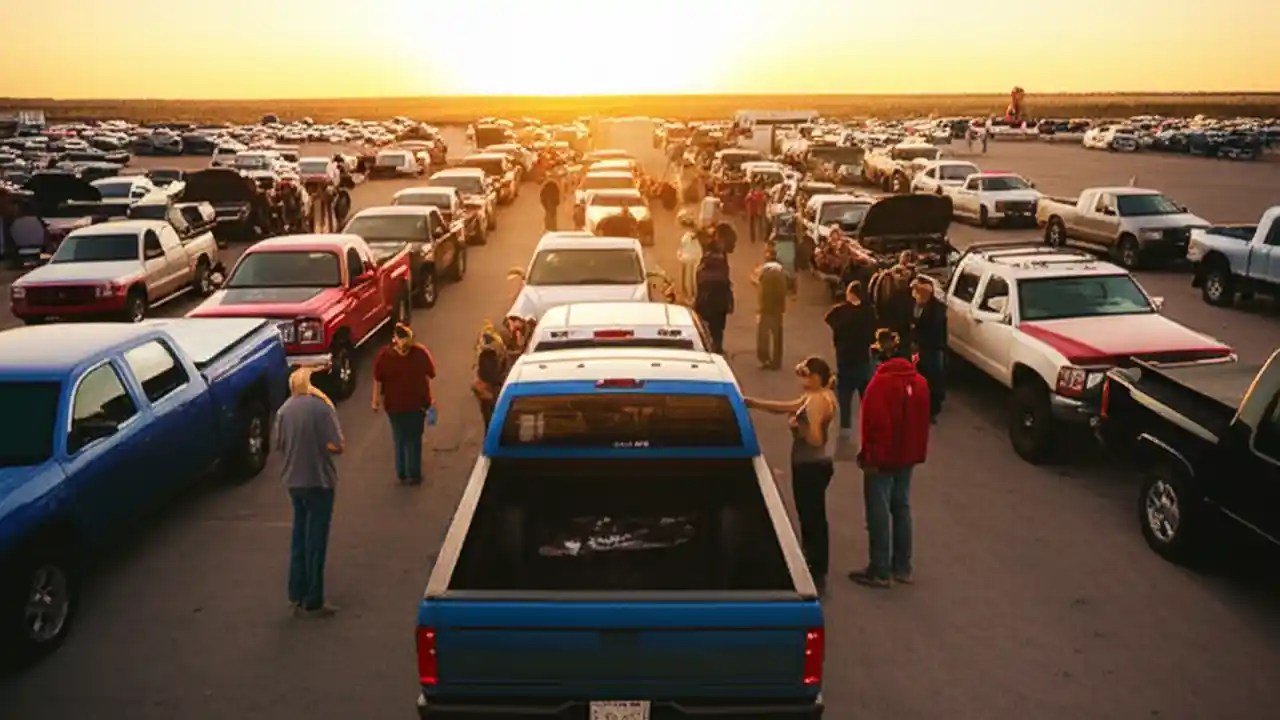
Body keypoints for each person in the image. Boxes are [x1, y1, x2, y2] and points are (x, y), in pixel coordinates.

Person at [744, 357, 837, 587]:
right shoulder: (820, 395)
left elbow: (815, 438)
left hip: (810, 465)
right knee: (815, 515)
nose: (802, 379)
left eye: (806, 375)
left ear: (816, 377)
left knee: (810, 517)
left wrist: (798, 426)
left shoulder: (816, 402)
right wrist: (753, 402)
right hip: (818, 465)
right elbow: (787, 406)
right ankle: (817, 562)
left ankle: (815, 567)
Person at [850, 338, 931, 589]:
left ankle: (880, 569)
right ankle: (902, 566)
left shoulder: (880, 384)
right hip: (908, 456)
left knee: (878, 510)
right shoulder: (920, 383)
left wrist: (870, 457)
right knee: (902, 507)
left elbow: (876, 425)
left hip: (882, 458)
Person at [276, 367, 344, 618]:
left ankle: (296, 593)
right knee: (316, 541)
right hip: (319, 481)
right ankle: (314, 599)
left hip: (294, 482)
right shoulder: (322, 409)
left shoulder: (283, 411)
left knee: (299, 536)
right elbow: (338, 446)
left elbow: (280, 444)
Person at [371, 324, 437, 485]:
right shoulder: (420, 353)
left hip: (397, 406)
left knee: (400, 438)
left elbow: (378, 380)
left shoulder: (384, 356)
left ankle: (402, 473)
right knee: (413, 439)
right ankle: (414, 474)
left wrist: (376, 401)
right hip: (416, 404)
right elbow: (431, 374)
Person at [824, 280, 878, 437]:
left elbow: (828, 318)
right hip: (863, 359)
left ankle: (845, 427)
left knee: (845, 395)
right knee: (866, 395)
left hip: (845, 359)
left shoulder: (840, 312)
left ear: (850, 293)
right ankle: (869, 425)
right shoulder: (869, 312)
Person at [910, 277, 948, 422]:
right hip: (921, 348)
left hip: (931, 348)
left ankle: (931, 410)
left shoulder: (936, 310)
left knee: (932, 380)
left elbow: (934, 330)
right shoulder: (917, 305)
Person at [752, 247, 789, 369]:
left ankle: (765, 359)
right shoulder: (782, 271)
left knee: (763, 334)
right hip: (778, 309)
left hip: (766, 308)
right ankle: (777, 361)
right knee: (777, 335)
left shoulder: (763, 270)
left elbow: (756, 283)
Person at [694, 241, 734, 354]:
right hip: (720, 301)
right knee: (719, 327)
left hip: (706, 301)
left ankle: (707, 347)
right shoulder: (722, 262)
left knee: (706, 326)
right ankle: (718, 347)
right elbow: (726, 282)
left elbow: (699, 282)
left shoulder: (704, 262)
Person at [675, 211, 702, 304]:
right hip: (689, 258)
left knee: (691, 277)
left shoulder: (692, 235)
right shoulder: (688, 236)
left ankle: (691, 295)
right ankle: (689, 295)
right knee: (689, 277)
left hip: (692, 258)